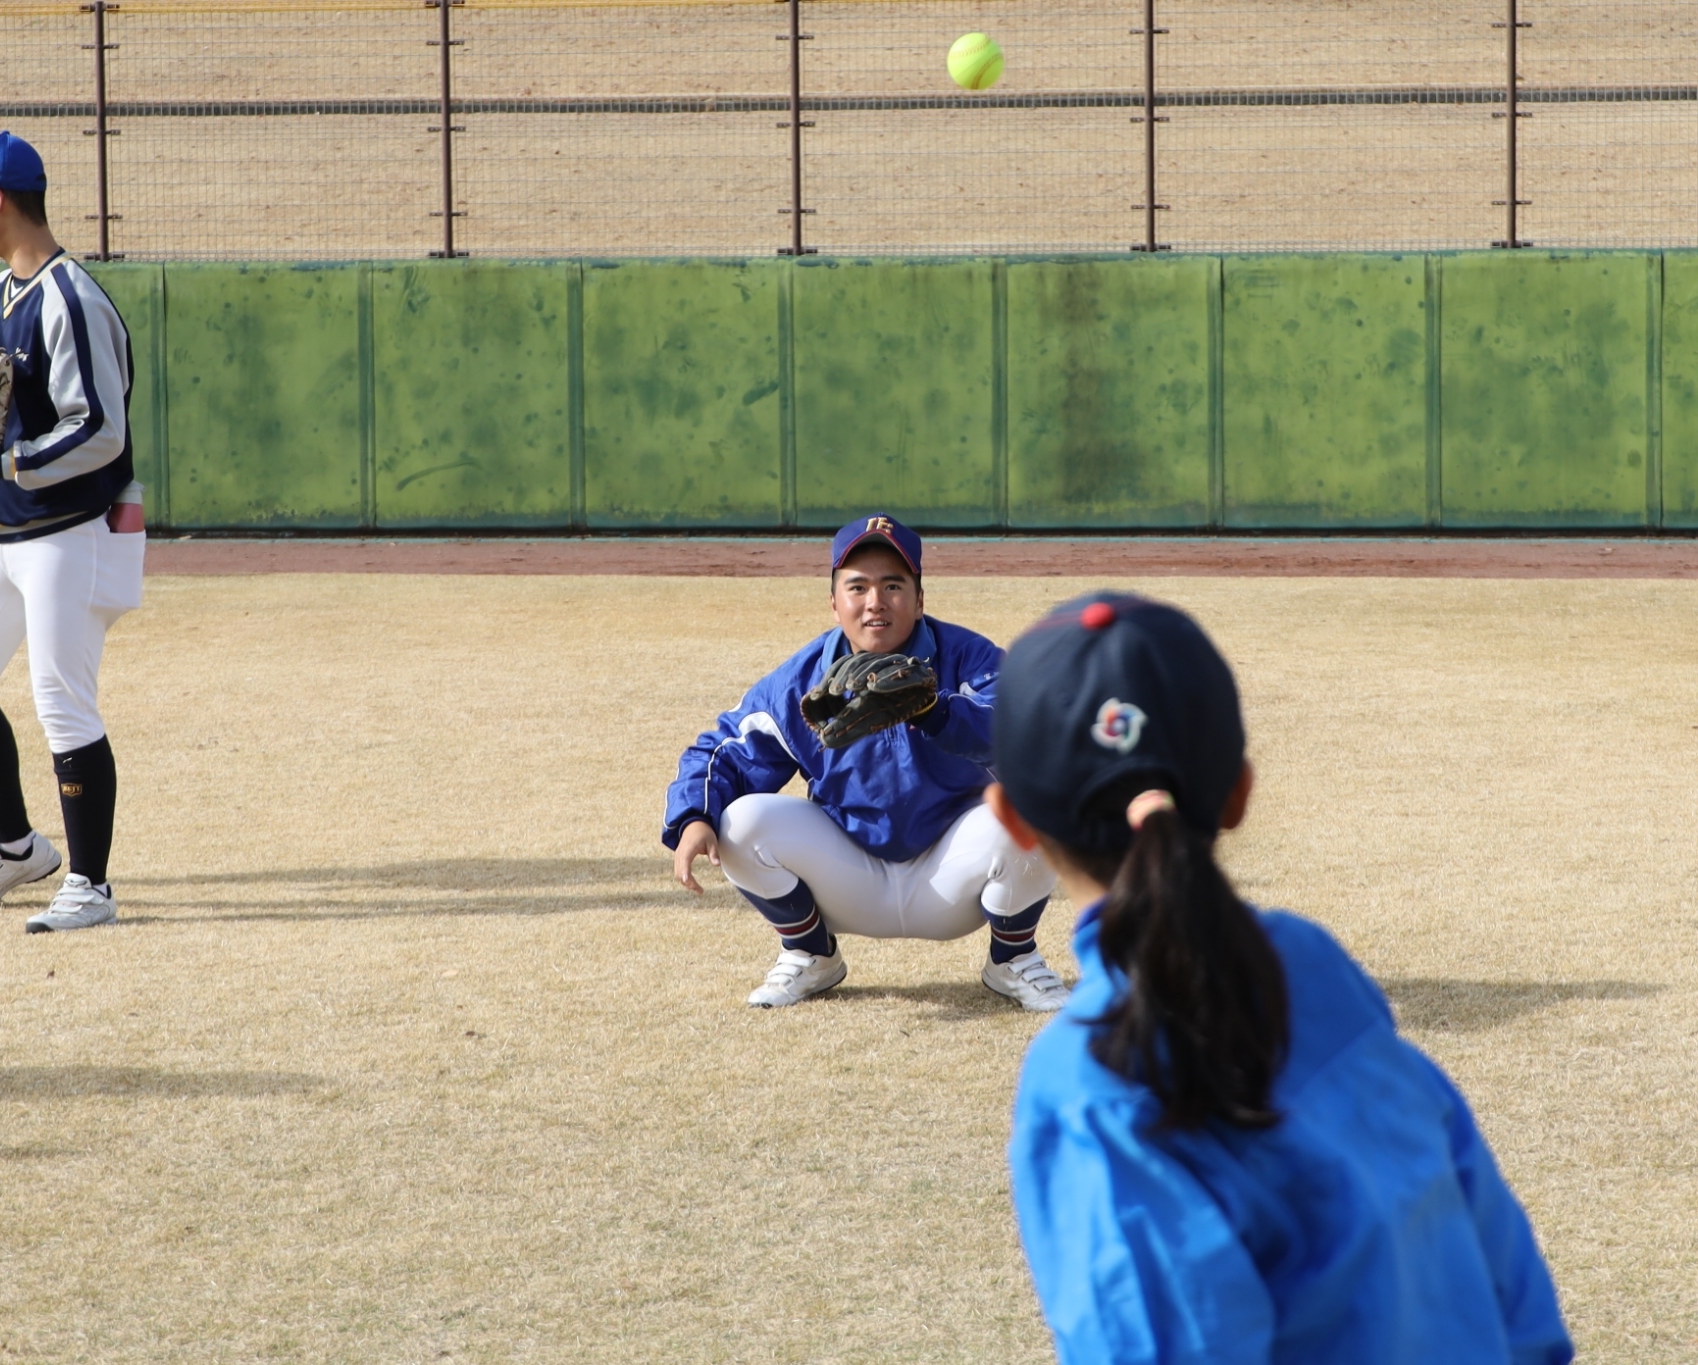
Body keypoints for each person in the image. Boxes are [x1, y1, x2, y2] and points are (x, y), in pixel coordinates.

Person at [986, 592, 1572, 1363]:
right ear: (1238, 792)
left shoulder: (1087, 1074)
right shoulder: (1313, 969)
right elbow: (1497, 1260)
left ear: (1011, 819)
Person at [665, 514, 1068, 1010]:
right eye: (858, 586)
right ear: (835, 603)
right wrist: (692, 817)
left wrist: (935, 709)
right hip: (848, 878)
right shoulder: (804, 678)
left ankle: (1012, 960)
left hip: (950, 879)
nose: (876, 601)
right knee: (739, 821)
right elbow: (726, 747)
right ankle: (812, 955)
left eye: (893, 585)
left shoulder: (968, 658)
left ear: (919, 600)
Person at [0, 132, 144, 933]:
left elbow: (102, 428)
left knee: (62, 702)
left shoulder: (70, 297)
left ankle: (91, 885)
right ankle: (17, 849)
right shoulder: (0, 293)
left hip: (69, 532)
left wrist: (12, 464)